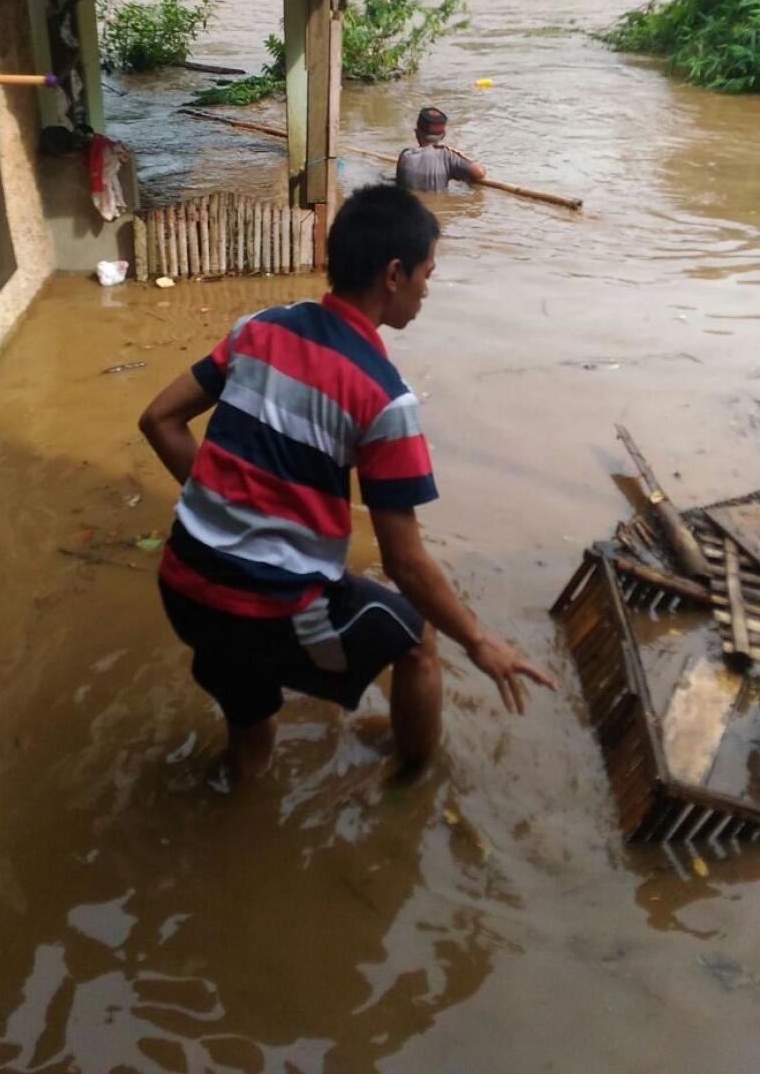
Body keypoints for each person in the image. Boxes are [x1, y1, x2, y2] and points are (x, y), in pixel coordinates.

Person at [139, 183, 556, 783]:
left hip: (184, 585)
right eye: (427, 274)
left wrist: (223, 504)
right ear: (394, 274)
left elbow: (159, 420)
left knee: (250, 743)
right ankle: (415, 785)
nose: (427, 289)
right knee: (418, 642)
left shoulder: (257, 328)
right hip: (268, 605)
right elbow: (406, 564)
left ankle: (226, 800)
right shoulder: (384, 397)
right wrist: (481, 641)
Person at [396, 106, 486, 192]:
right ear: (443, 135)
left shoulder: (405, 156)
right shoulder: (448, 156)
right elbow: (479, 172)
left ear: (416, 133)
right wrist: (460, 156)